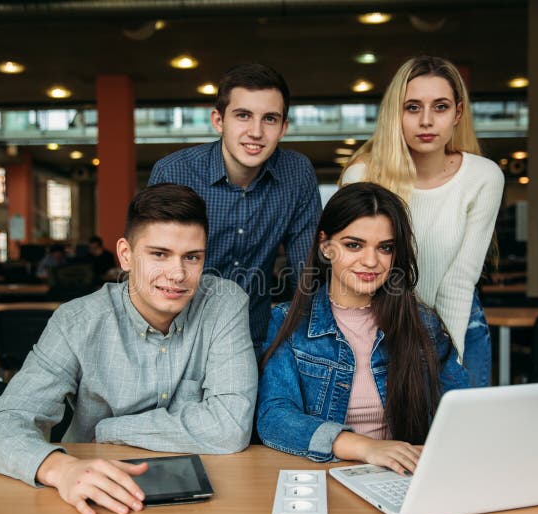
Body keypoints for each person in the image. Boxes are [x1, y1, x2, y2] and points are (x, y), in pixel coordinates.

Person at [0, 184, 258, 514]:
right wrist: (60, 469)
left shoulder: (224, 303)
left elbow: (229, 427)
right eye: (159, 254)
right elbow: (1, 426)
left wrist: (108, 429)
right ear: (126, 254)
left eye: (192, 257)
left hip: (203, 497)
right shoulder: (77, 322)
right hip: (94, 493)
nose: (178, 274)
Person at [257, 183, 469, 473]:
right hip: (325, 474)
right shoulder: (288, 322)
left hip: (405, 479)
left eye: (385, 248)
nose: (371, 261)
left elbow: (463, 412)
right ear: (325, 246)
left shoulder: (423, 324)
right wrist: (365, 448)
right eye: (353, 245)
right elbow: (274, 417)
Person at [340, 56, 504, 387]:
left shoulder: (483, 176)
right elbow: (353, 273)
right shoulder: (363, 176)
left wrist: (447, 368)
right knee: (394, 439)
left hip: (457, 328)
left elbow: (459, 282)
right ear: (395, 114)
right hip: (382, 326)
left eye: (440, 107)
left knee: (460, 436)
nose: (426, 120)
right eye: (412, 107)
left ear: (458, 113)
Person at [148, 63, 322, 354]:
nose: (256, 131)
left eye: (269, 119)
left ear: (283, 127)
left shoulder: (297, 174)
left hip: (253, 339)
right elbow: (153, 269)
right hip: (176, 340)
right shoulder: (175, 172)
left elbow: (308, 272)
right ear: (219, 120)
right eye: (243, 115)